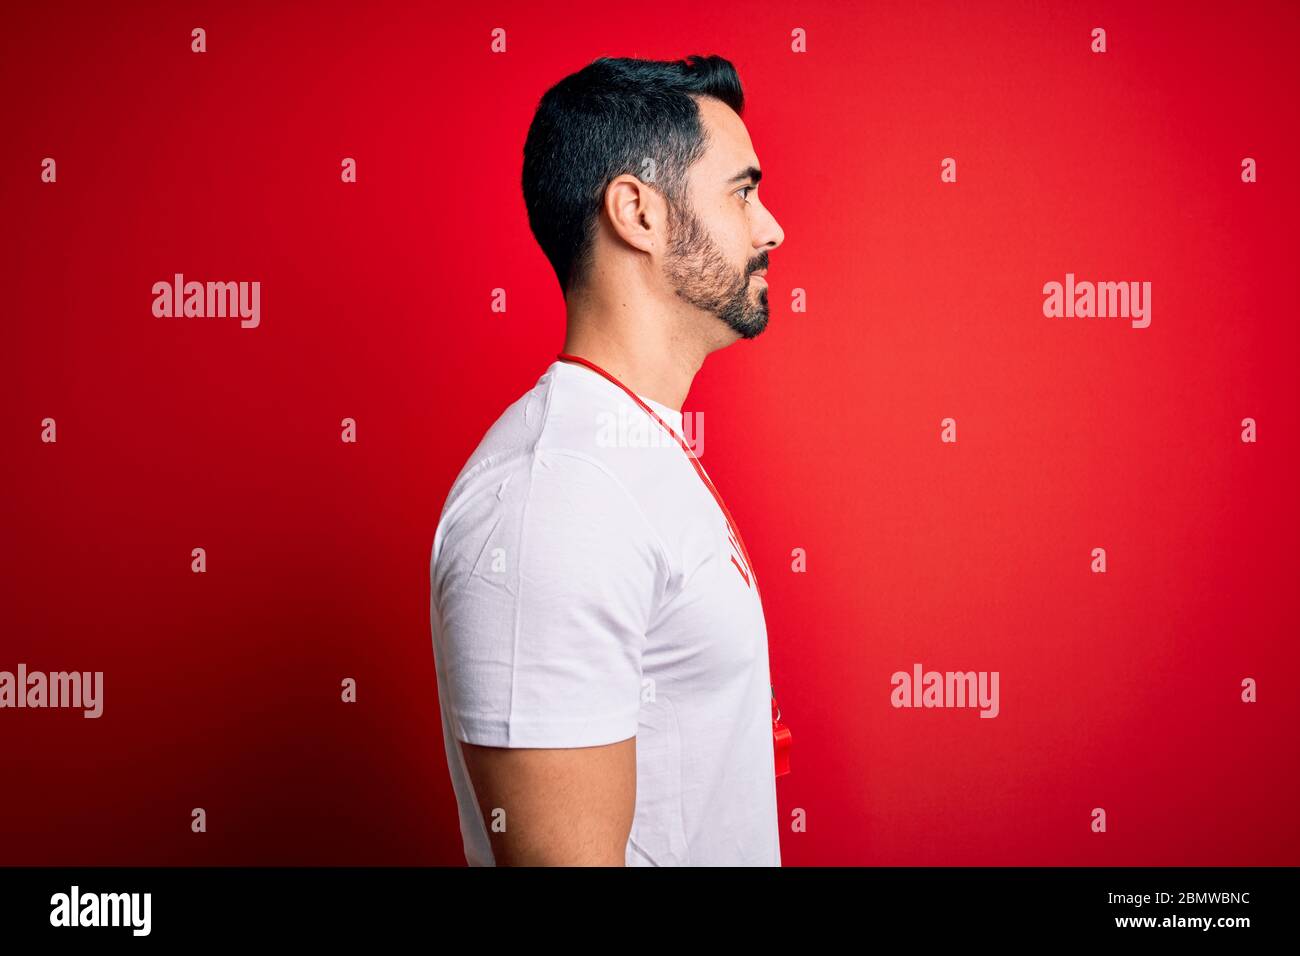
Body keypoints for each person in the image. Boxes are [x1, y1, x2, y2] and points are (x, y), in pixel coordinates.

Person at [429, 53, 786, 866]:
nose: (771, 228)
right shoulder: (555, 497)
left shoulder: (626, 450)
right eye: (742, 192)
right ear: (638, 212)